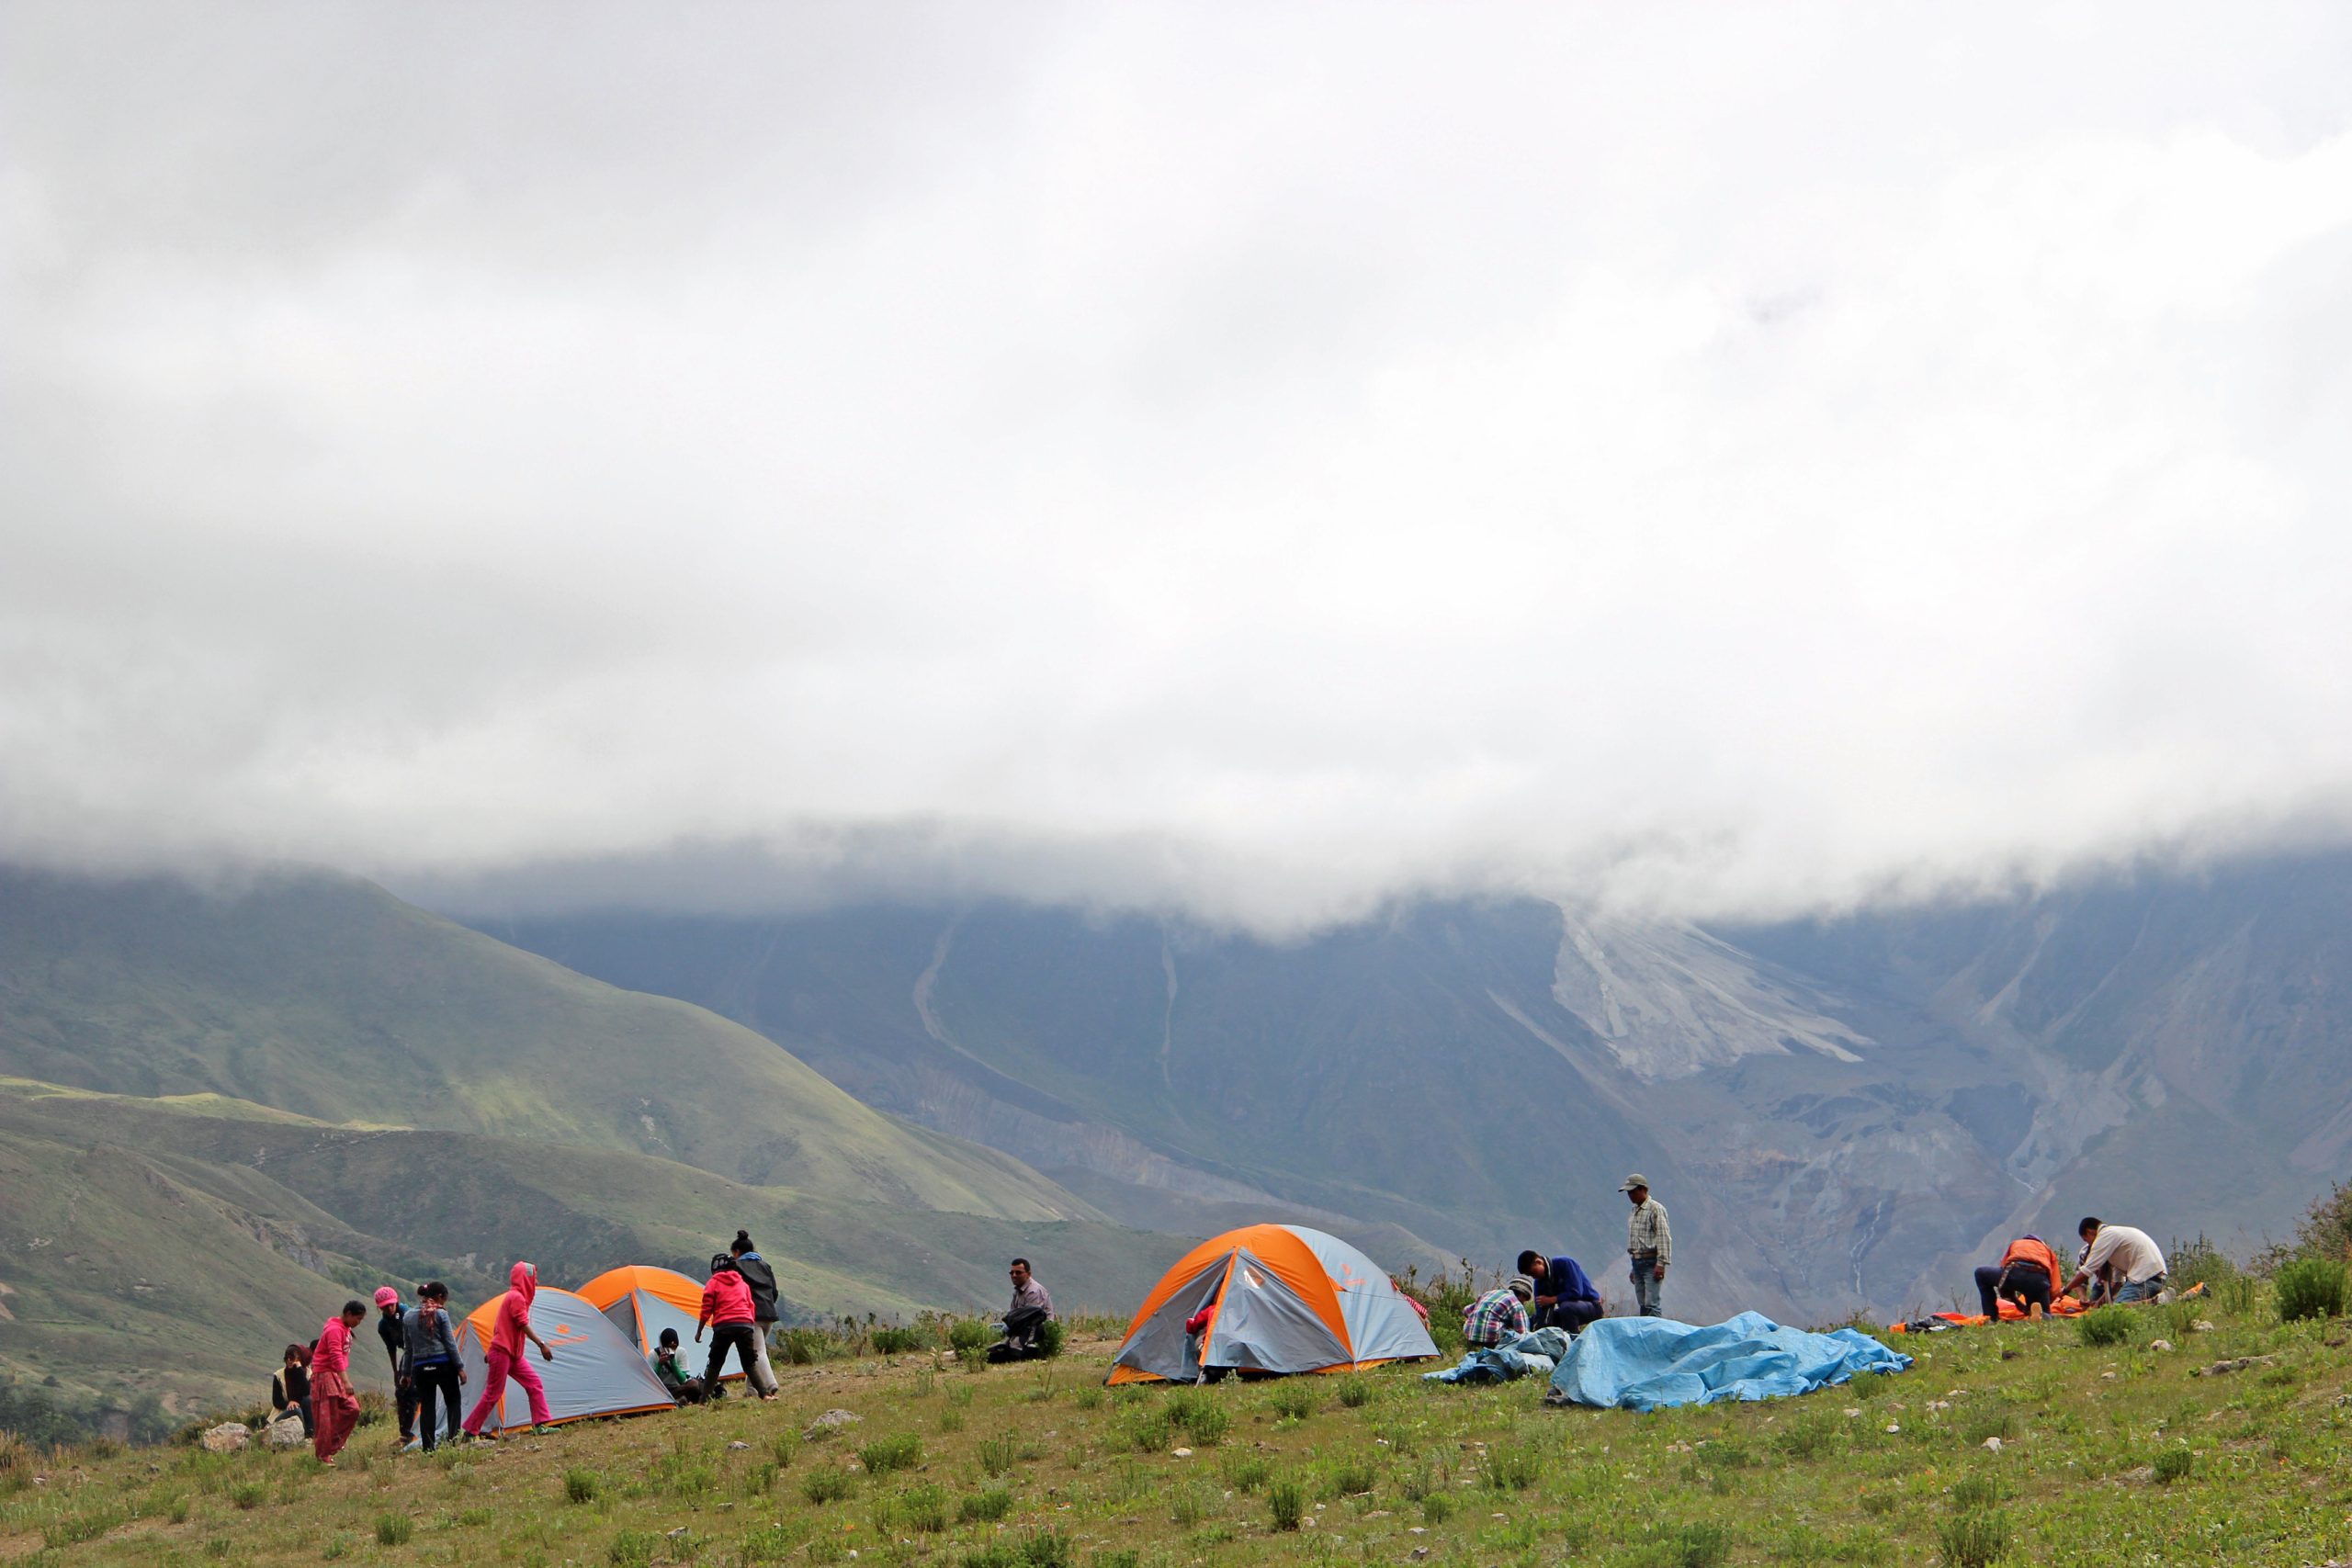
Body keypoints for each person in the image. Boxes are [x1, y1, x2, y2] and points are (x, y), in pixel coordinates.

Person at [461, 1261, 557, 1440]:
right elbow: (522, 1323)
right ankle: (470, 1432)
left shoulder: (516, 1297)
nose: (536, 1282)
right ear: (525, 1279)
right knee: (493, 1393)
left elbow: (500, 1325)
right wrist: (541, 1344)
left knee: (534, 1383)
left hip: (513, 1354)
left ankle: (540, 1425)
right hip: (503, 1352)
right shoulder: (516, 1297)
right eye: (533, 1278)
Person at [400, 1280, 467, 1452]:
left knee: (427, 1406)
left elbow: (409, 1348)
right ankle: (453, 1440)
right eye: (444, 1299)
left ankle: (428, 1448)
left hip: (420, 1368)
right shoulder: (441, 1314)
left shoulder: (408, 1317)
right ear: (439, 1297)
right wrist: (460, 1367)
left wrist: (406, 1373)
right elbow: (450, 1343)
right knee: (453, 1401)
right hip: (444, 1365)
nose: (444, 1303)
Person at [695, 1252, 768, 1399]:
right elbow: (751, 1306)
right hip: (745, 1326)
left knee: (715, 1365)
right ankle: (765, 1394)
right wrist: (748, 1324)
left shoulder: (713, 1283)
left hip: (723, 1327)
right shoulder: (743, 1284)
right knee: (749, 1364)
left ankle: (704, 1401)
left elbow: (706, 1309)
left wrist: (699, 1331)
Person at [728, 1230, 784, 1398]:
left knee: (758, 1352)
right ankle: (751, 1390)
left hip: (751, 1315)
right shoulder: (765, 1266)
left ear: (737, 1252)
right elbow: (774, 1292)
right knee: (754, 1353)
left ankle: (771, 1384)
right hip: (769, 1314)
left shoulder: (736, 1266)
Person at [2063, 1218, 2168, 1305]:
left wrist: (2065, 1290)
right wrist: (2099, 1303)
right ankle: (2156, 1300)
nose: (2089, 1244)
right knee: (2113, 1307)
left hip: (2144, 1277)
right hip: (2156, 1276)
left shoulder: (2105, 1237)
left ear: (2090, 1232)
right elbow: (2117, 1282)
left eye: (2086, 1240)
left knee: (2119, 1308)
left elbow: (2086, 1272)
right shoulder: (2115, 1237)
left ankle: (2156, 1301)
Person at [311, 1301, 367, 1465]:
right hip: (325, 1374)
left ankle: (332, 1444)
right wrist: (346, 1381)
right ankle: (323, 1455)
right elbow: (335, 1356)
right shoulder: (335, 1330)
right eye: (357, 1318)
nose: (358, 1323)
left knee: (352, 1409)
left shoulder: (344, 1328)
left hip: (334, 1374)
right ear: (348, 1314)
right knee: (327, 1416)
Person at [1973, 1235, 2063, 1319]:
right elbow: (2055, 1288)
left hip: (2015, 1273)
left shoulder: (2016, 1243)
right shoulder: (2047, 1250)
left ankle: (1991, 1317)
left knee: (1980, 1273)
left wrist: (2012, 1298)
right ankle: (2042, 1315)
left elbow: (2004, 1268)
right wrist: (2047, 1299)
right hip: (2039, 1280)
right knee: (2043, 1311)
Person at [1516, 1249, 1604, 1334]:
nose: (1534, 1277)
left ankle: (1573, 1338)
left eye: (1533, 1273)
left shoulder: (1564, 1263)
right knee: (1537, 1318)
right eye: (1530, 1275)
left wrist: (1551, 1300)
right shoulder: (1539, 1283)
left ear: (1539, 1262)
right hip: (1566, 1311)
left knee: (1567, 1307)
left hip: (1591, 1306)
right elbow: (1541, 1311)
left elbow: (1576, 1293)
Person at [1621, 1174, 1672, 1317]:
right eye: (1629, 1193)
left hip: (1651, 1262)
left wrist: (1661, 1263)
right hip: (1637, 1262)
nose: (1630, 1196)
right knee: (1642, 1303)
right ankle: (1645, 1328)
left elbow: (1663, 1236)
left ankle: (1655, 1328)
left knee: (1652, 1303)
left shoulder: (1655, 1209)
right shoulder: (1634, 1211)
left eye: (1633, 1192)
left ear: (1643, 1189)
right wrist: (1634, 1267)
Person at [373, 1286, 418, 1447]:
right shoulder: (383, 1326)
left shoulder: (408, 1314)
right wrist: (396, 1371)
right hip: (407, 1353)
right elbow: (391, 1348)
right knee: (401, 1392)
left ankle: (416, 1432)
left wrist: (407, 1370)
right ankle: (405, 1434)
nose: (389, 1309)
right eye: (385, 1307)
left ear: (396, 1302)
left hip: (420, 1351)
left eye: (391, 1305)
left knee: (414, 1391)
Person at [988, 1258, 1055, 1363]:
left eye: (1018, 1272)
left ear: (1028, 1274)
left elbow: (1030, 1319)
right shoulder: (1018, 1290)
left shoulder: (1033, 1292)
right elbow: (1012, 1314)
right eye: (1012, 1273)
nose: (1014, 1275)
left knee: (1005, 1333)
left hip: (1035, 1329)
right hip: (1019, 1326)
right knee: (991, 1329)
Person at [1462, 1275, 1534, 1348]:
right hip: (1492, 1338)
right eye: (1525, 1300)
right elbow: (1523, 1333)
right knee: (1513, 1336)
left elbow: (1466, 1310)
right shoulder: (1516, 1303)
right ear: (1523, 1295)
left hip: (1470, 1334)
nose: (1524, 1303)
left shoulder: (1489, 1294)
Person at [650, 1327, 707, 1404]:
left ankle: (676, 1400)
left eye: (674, 1347)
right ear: (663, 1346)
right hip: (660, 1389)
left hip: (677, 1388)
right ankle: (676, 1400)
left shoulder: (681, 1352)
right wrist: (659, 1364)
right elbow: (650, 1380)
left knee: (693, 1384)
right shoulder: (653, 1355)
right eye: (669, 1347)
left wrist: (673, 1361)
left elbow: (682, 1379)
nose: (672, 1349)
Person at [270, 1343, 312, 1437]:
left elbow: (307, 1391)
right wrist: (289, 1403)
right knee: (296, 1409)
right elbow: (276, 1401)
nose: (289, 1360)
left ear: (300, 1359)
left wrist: (299, 1370)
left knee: (308, 1400)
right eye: (287, 1358)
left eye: (292, 1358)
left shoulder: (307, 1373)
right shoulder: (279, 1376)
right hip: (284, 1411)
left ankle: (311, 1431)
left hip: (304, 1410)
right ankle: (305, 1433)